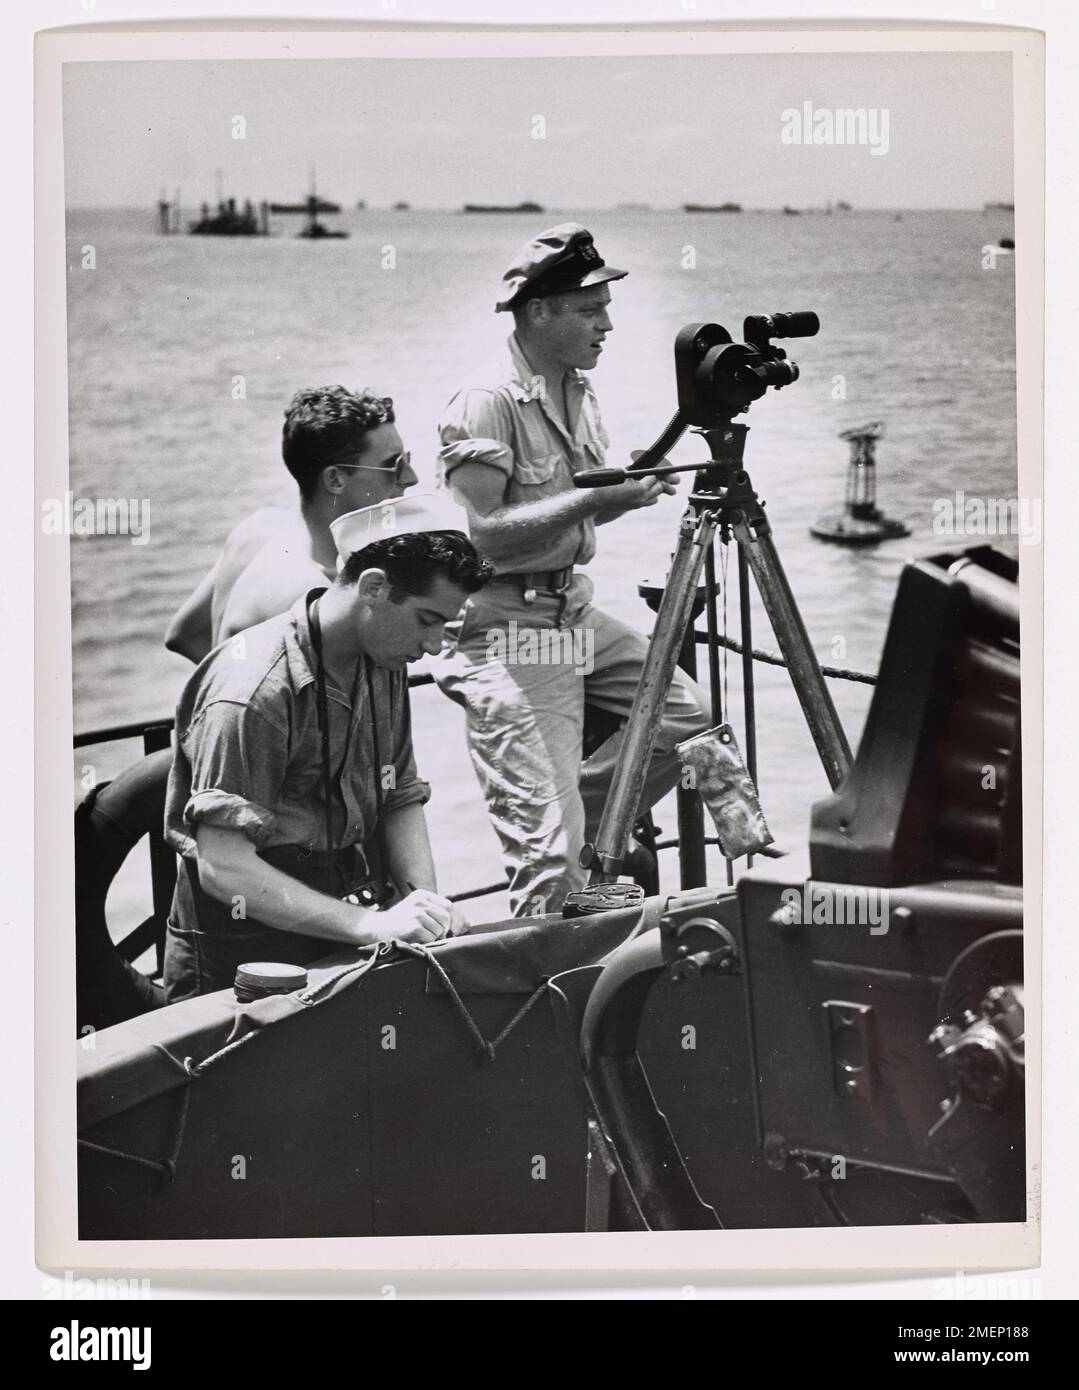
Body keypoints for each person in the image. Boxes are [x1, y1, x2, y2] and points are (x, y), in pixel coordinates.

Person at [431, 223, 711, 917]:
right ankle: (549, 867)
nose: (606, 324)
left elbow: (568, 521)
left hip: (568, 613)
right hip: (504, 625)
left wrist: (621, 498)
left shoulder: (578, 390)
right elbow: (481, 539)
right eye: (590, 309)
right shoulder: (485, 402)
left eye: (604, 308)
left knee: (686, 720)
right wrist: (594, 497)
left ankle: (562, 821)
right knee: (550, 863)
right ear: (539, 311)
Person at [161, 501, 494, 1002]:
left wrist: (425, 908)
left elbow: (398, 794)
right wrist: (368, 927)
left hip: (339, 917)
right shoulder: (254, 691)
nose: (432, 645)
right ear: (374, 588)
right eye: (427, 620)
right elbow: (223, 866)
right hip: (242, 947)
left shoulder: (382, 659)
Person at [164, 385, 419, 662]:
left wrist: (230, 680)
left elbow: (184, 635)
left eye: (407, 461)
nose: (411, 478)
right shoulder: (317, 595)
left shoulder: (257, 530)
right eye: (394, 466)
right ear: (335, 480)